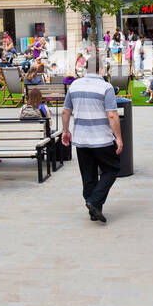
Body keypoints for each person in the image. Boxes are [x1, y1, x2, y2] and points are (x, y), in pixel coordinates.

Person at [60, 65, 122, 223]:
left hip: (81, 139)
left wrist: (65, 131)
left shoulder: (74, 85)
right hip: (102, 139)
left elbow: (65, 111)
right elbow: (112, 115)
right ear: (100, 70)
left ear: (86, 69)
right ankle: (94, 201)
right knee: (112, 168)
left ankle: (94, 210)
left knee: (89, 175)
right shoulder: (106, 87)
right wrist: (119, 138)